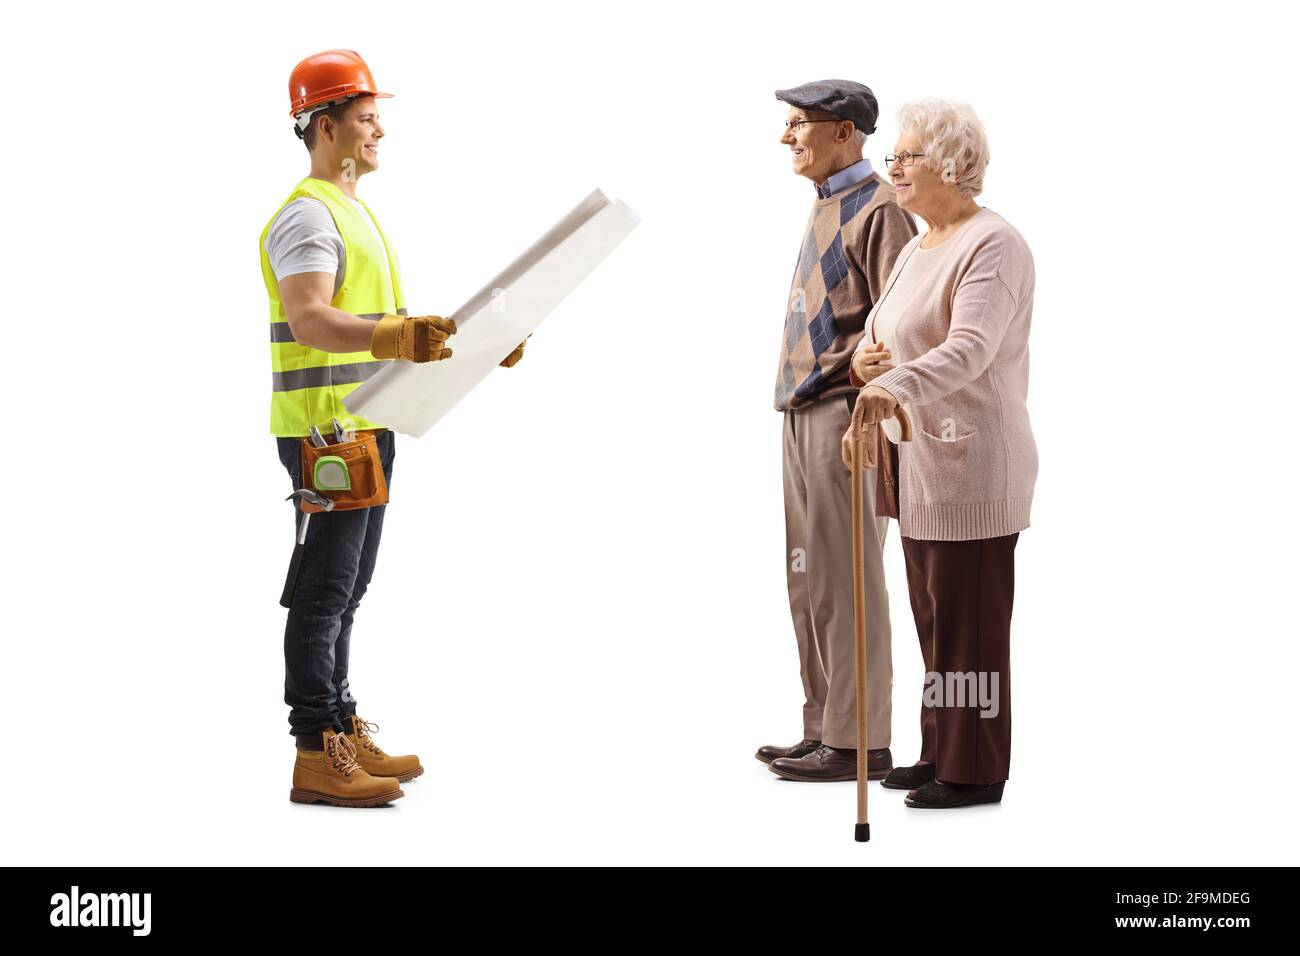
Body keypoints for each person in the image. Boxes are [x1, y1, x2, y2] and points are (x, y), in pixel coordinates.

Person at [260, 50, 526, 807]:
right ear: (323, 123)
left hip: (364, 428)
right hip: (325, 436)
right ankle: (316, 748)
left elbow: (380, 326)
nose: (380, 129)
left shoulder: (350, 210)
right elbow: (312, 318)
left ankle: (340, 722)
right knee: (323, 594)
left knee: (348, 590)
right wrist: (395, 339)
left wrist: (465, 346)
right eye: (367, 115)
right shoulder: (308, 213)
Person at [844, 98, 1036, 808]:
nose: (891, 166)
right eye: (892, 155)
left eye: (906, 155)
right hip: (917, 463)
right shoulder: (920, 245)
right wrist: (868, 363)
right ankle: (941, 747)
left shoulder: (993, 243)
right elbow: (885, 333)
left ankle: (976, 768)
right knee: (936, 618)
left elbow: (970, 348)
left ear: (951, 165)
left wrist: (892, 383)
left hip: (973, 462)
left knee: (969, 626)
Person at [759, 80, 918, 783]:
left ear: (845, 132)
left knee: (848, 576)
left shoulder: (882, 210)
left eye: (800, 125)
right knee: (811, 577)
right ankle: (824, 724)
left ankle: (861, 740)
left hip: (846, 414)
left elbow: (903, 322)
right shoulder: (829, 205)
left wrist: (870, 392)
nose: (788, 138)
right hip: (801, 409)